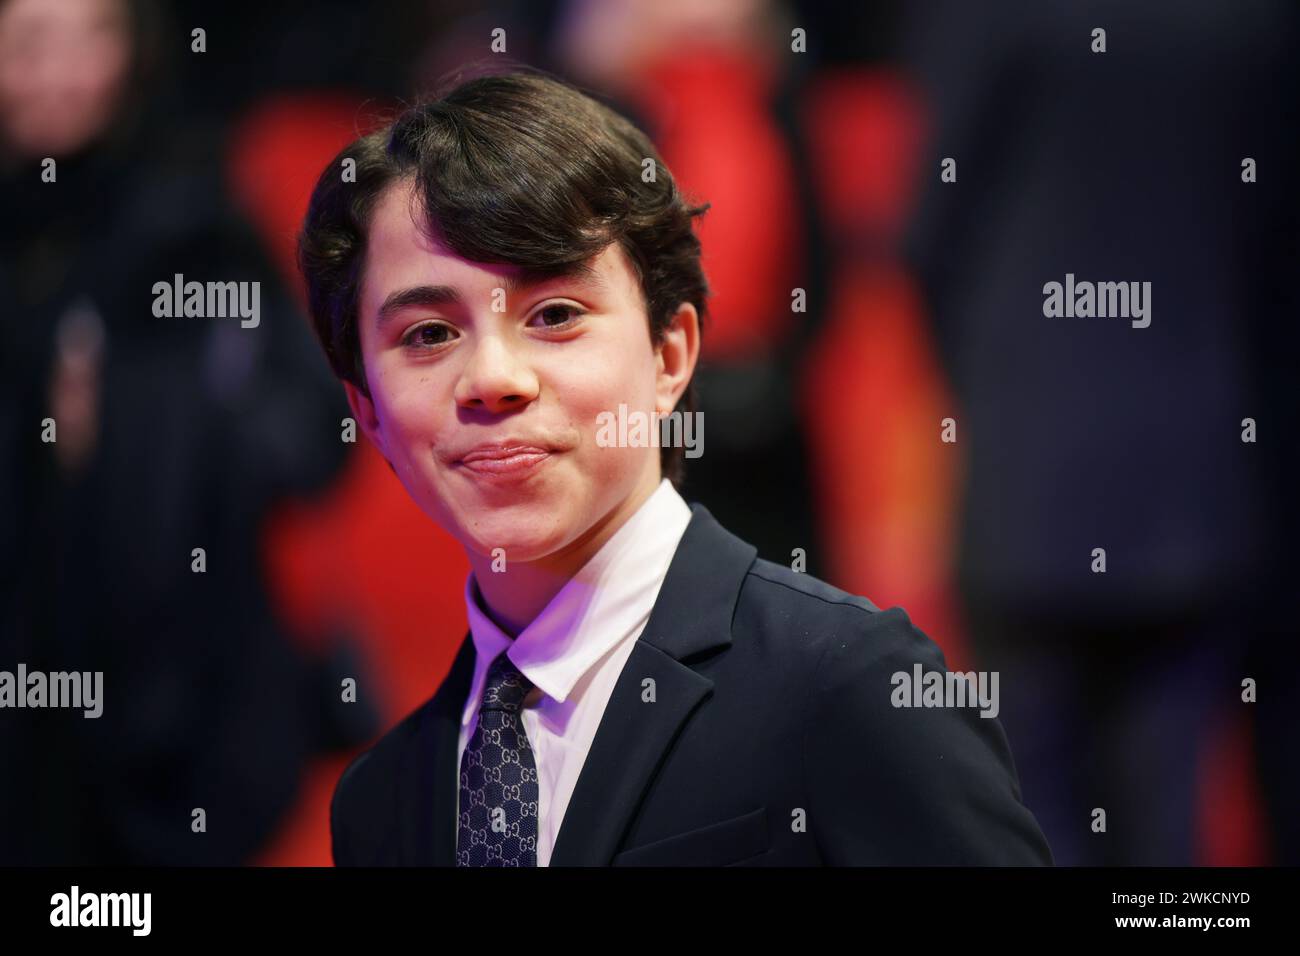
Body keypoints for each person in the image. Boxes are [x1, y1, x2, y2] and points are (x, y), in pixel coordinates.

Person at [298, 66, 1051, 866]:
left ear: (670, 354)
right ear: (367, 408)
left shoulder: (851, 688)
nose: (493, 379)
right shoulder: (384, 802)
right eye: (427, 335)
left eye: (554, 315)